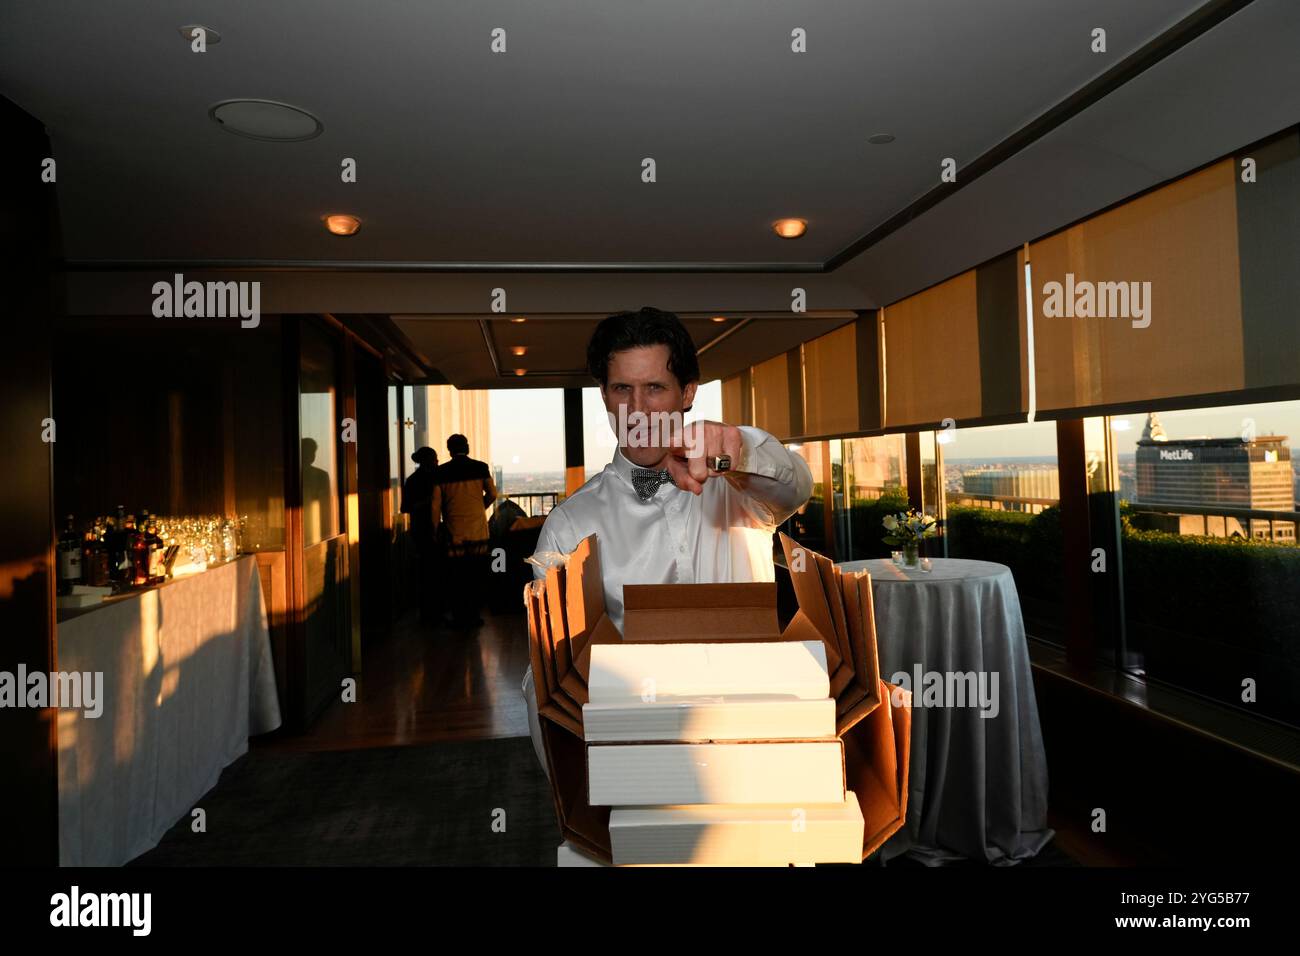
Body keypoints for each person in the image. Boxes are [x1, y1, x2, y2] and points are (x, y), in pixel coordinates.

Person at [521, 306, 813, 773]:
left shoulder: (741, 489)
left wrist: (736, 447)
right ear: (604, 395)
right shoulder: (568, 526)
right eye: (622, 389)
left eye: (655, 387)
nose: (637, 410)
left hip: (759, 742)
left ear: (688, 393)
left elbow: (797, 484)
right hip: (638, 759)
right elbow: (559, 676)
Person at [437, 433, 497, 629]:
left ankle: (459, 616)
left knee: (456, 576)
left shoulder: (442, 472)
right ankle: (474, 615)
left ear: (450, 450)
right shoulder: (480, 467)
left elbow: (434, 506)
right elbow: (492, 493)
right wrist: (481, 507)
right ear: (467, 446)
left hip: (454, 531)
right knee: (475, 575)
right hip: (478, 530)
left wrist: (434, 530)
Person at [400, 446, 443, 624]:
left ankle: (427, 613)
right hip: (431, 530)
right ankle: (435, 611)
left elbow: (405, 508)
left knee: (425, 573)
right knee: (435, 572)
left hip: (419, 530)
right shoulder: (436, 478)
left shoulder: (412, 480)